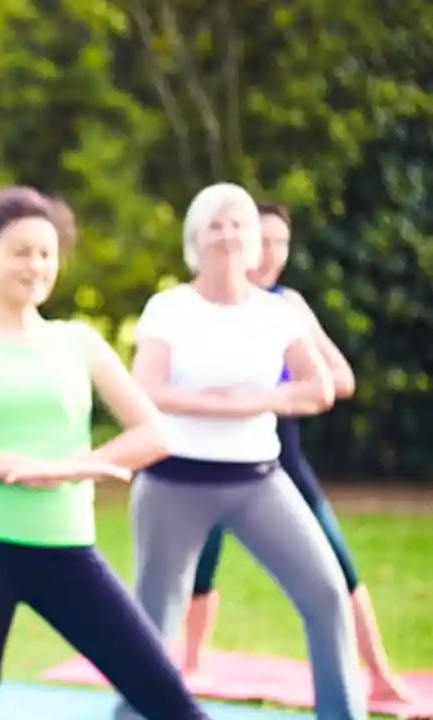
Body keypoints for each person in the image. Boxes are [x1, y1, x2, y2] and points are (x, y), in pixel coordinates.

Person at [0, 187, 207, 720]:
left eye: (46, 253)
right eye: (21, 251)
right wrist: (41, 470)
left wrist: (83, 466)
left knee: (170, 702)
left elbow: (154, 433)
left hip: (66, 551)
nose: (36, 265)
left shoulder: (78, 342)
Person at [114, 182, 366, 720]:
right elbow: (147, 388)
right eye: (216, 225)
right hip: (173, 483)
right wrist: (243, 405)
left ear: (256, 241)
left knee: (327, 595)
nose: (228, 234)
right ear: (195, 240)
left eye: (239, 224)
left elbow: (319, 388)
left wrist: (244, 400)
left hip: (258, 480)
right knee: (155, 622)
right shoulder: (170, 308)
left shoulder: (277, 314)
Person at [182, 203, 412, 702]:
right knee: (195, 566)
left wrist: (279, 389)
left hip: (277, 463)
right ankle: (189, 665)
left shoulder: (286, 307)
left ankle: (379, 677)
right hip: (205, 462)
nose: (271, 255)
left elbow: (339, 379)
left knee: (336, 566)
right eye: (261, 241)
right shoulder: (203, 305)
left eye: (281, 243)